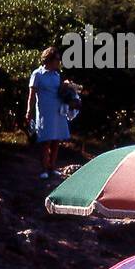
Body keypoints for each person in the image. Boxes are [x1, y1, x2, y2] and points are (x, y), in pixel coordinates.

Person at [25, 46, 80, 179]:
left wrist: (69, 91)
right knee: (46, 140)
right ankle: (44, 168)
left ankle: (52, 167)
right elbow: (32, 95)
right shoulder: (37, 74)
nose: (58, 62)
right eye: (56, 59)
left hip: (57, 109)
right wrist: (29, 111)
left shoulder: (56, 75)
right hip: (44, 110)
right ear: (48, 60)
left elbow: (60, 92)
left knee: (56, 139)